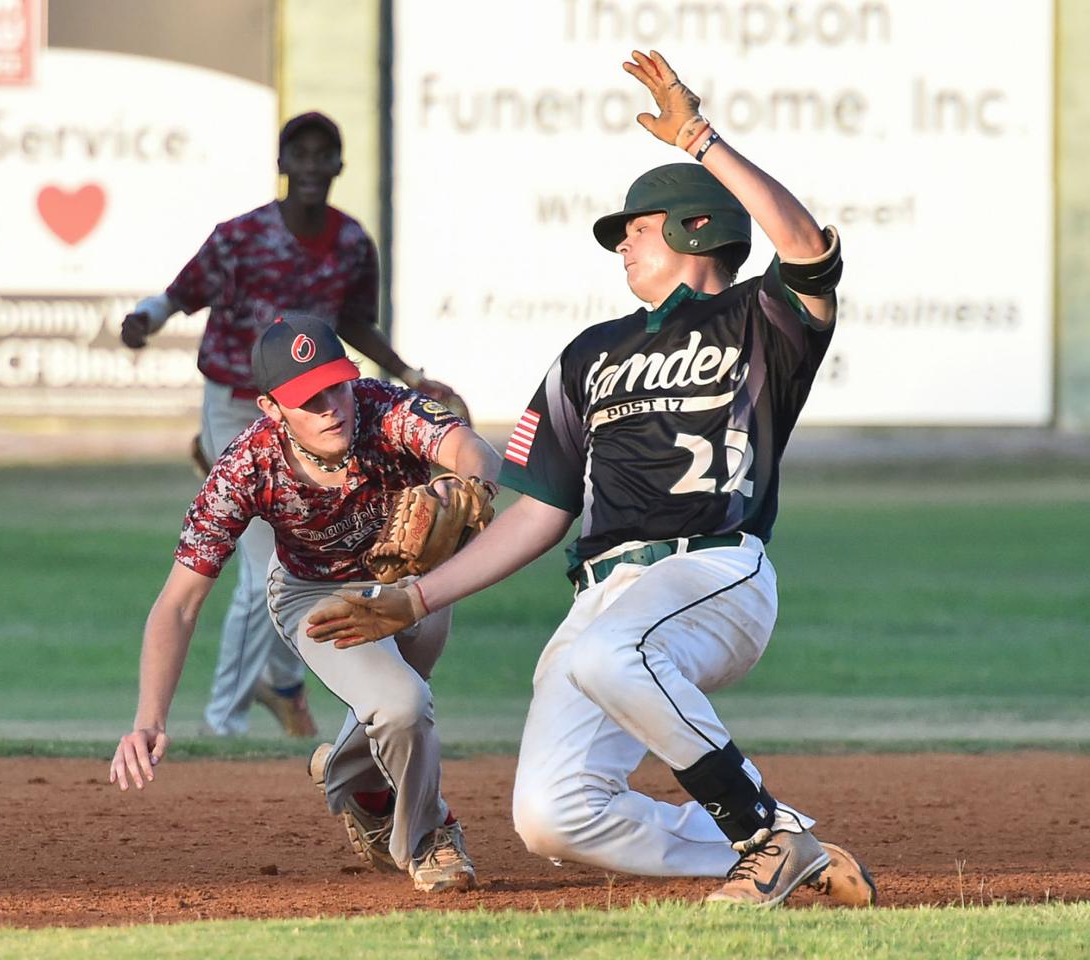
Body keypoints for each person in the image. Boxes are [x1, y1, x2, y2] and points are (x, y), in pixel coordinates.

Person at [305, 51, 875, 908]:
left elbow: (804, 246)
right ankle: (786, 837)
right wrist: (415, 597)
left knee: (618, 653)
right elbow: (539, 511)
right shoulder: (587, 355)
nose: (621, 245)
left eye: (636, 228)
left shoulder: (763, 321)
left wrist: (701, 138)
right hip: (602, 595)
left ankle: (765, 840)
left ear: (693, 229)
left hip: (713, 569)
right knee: (554, 815)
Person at [109, 313, 500, 894]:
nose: (331, 407)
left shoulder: (381, 407)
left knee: (393, 713)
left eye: (335, 385)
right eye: (307, 398)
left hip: (415, 585)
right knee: (402, 704)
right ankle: (428, 837)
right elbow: (179, 603)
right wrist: (148, 719)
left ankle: (349, 774)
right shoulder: (246, 466)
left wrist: (468, 488)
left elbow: (475, 448)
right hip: (315, 594)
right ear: (271, 408)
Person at [120, 111, 460, 737]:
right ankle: (225, 723)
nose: (309, 165)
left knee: (320, 548)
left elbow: (356, 323)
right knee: (257, 566)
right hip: (237, 406)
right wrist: (146, 317)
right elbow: (178, 293)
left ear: (338, 166)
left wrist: (407, 375)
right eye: (297, 153)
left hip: (325, 412)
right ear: (281, 164)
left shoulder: (353, 243)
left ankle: (280, 680)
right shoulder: (241, 237)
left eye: (322, 154)